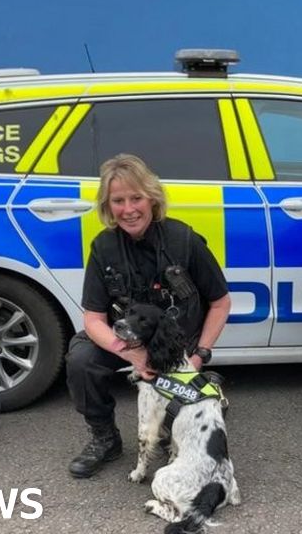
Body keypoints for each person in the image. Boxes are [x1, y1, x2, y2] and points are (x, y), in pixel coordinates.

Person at [65, 153, 231, 479]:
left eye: (136, 198)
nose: (128, 209)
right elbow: (93, 319)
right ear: (108, 206)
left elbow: (220, 303)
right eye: (118, 201)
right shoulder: (103, 248)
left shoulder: (184, 240)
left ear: (152, 198)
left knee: (179, 434)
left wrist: (199, 355)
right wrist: (133, 355)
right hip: (128, 340)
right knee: (81, 360)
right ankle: (104, 438)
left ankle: (198, 398)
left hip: (177, 343)